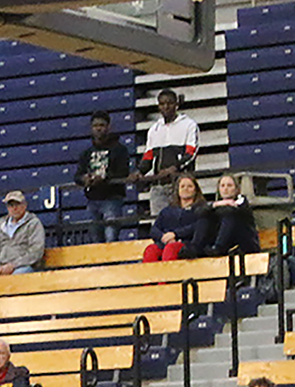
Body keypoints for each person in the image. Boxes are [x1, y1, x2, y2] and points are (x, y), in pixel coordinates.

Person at [138, 88, 198, 217]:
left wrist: (174, 168)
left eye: (170, 103)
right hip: (158, 186)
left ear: (176, 104)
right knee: (159, 223)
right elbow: (148, 156)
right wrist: (138, 172)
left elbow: (191, 153)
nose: (166, 107)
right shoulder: (154, 129)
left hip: (180, 185)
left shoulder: (189, 125)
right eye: (162, 104)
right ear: (158, 106)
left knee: (181, 221)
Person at [74, 112, 134, 243]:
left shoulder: (119, 149)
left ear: (109, 127)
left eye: (101, 125)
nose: (98, 128)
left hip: (112, 198)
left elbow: (123, 172)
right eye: (95, 125)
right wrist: (85, 179)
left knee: (111, 237)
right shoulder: (86, 153)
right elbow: (77, 176)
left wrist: (104, 178)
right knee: (95, 239)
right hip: (92, 199)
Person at [0, 190, 47, 276]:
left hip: (23, 266)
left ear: (24, 206)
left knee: (16, 278)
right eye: (11, 205)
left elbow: (36, 251)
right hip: (0, 267)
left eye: (18, 204)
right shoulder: (1, 225)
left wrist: (13, 265)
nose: (14, 208)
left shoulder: (33, 223)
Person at [142, 175, 207, 262]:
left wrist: (175, 234)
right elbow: (154, 229)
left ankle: (169, 275)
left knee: (171, 249)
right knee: (151, 250)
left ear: (195, 190)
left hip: (187, 244)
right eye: (182, 186)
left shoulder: (201, 209)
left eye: (190, 186)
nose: (185, 189)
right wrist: (164, 237)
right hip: (165, 243)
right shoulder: (167, 211)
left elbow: (197, 227)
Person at [196, 173, 261, 257]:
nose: (225, 189)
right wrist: (217, 204)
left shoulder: (242, 201)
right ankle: (196, 248)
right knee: (204, 218)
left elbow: (230, 211)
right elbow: (198, 212)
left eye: (229, 185)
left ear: (236, 189)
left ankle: (218, 247)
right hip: (228, 245)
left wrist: (217, 207)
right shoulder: (216, 205)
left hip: (245, 245)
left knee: (228, 215)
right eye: (222, 186)